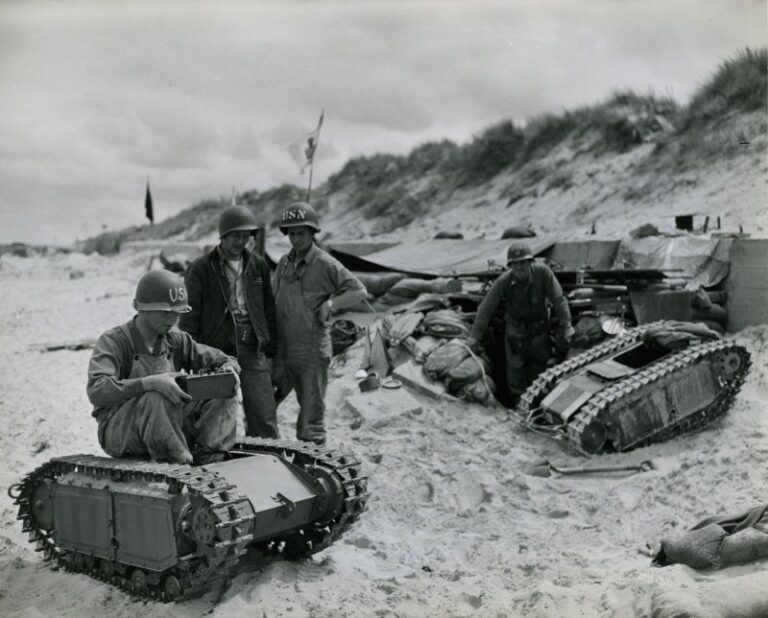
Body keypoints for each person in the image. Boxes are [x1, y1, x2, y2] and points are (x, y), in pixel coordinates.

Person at [87, 269, 240, 465]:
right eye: (166, 312)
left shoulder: (175, 339)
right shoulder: (115, 341)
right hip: (120, 429)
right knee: (156, 396)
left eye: (176, 313)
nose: (172, 319)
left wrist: (228, 367)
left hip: (169, 422)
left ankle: (211, 458)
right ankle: (178, 464)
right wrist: (150, 383)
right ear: (141, 308)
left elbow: (220, 358)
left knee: (223, 386)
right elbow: (97, 390)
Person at [179, 204, 279, 438]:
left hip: (253, 347)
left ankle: (266, 464)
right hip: (216, 351)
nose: (241, 242)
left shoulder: (258, 265)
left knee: (264, 416)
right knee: (216, 417)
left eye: (245, 237)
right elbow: (189, 316)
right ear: (223, 236)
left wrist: (271, 344)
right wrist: (191, 353)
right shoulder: (201, 268)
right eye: (235, 236)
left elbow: (268, 309)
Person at [273, 202, 366, 445]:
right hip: (283, 348)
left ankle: (313, 464)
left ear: (313, 233)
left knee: (311, 416)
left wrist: (332, 304)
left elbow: (359, 291)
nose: (296, 239)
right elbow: (273, 298)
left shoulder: (326, 264)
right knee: (264, 403)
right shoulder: (284, 263)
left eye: (301, 233)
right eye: (291, 234)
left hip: (311, 350)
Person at [467, 242, 574, 406]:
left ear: (530, 262)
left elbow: (558, 299)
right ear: (510, 266)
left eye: (522, 263)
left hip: (539, 332)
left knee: (539, 372)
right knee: (515, 374)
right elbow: (486, 309)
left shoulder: (543, 273)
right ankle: (519, 407)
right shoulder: (504, 281)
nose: (519, 268)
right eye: (515, 264)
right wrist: (474, 338)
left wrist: (566, 325)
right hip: (515, 333)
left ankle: (538, 408)